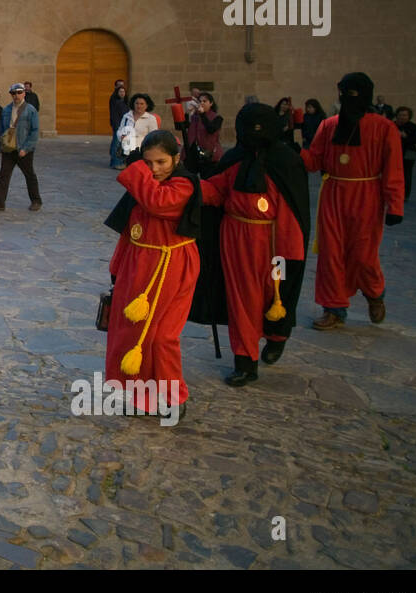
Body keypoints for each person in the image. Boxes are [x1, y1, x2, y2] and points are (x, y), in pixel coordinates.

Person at [195, 104, 310, 387]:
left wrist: (289, 252)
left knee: (276, 295)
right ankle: (245, 361)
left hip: (274, 241)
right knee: (241, 300)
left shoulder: (286, 162)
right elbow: (216, 191)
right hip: (235, 239)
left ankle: (277, 337)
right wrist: (189, 183)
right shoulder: (235, 159)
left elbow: (293, 209)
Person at [103, 129, 199, 417]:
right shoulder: (144, 187)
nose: (155, 169)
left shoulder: (183, 186)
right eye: (149, 162)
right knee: (132, 334)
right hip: (137, 263)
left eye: (162, 162)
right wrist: (117, 268)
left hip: (170, 266)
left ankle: (174, 396)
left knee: (160, 336)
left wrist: (136, 171)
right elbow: (129, 231)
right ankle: (141, 396)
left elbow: (157, 201)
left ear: (176, 159)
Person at [301, 72, 403, 330]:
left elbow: (394, 169)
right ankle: (333, 308)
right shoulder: (329, 126)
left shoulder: (384, 127)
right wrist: (292, 151)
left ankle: (374, 293)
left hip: (367, 195)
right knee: (330, 252)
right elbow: (315, 161)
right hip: (333, 194)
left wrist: (395, 205)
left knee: (363, 253)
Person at [0, 83, 42, 211]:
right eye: (13, 93)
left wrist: (26, 148)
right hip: (8, 149)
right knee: (4, 176)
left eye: (18, 92)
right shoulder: (6, 110)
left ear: (24, 93)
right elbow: (2, 130)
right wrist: (0, 148)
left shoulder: (30, 110)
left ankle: (36, 201)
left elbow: (34, 131)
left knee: (29, 175)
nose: (16, 95)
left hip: (23, 148)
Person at [183, 91, 223, 175]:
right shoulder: (194, 116)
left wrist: (203, 114)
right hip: (192, 153)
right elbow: (183, 126)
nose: (201, 103)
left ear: (211, 103)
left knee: (208, 178)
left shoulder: (217, 118)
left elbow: (211, 129)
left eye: (204, 101)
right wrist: (187, 113)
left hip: (208, 154)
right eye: (200, 101)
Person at [117, 93, 160, 164]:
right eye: (137, 103)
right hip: (127, 150)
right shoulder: (126, 116)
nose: (139, 106)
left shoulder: (151, 118)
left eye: (142, 104)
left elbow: (153, 136)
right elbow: (120, 130)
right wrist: (121, 136)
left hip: (142, 151)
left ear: (147, 105)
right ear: (133, 104)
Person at [394, 107, 416, 202]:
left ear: (409, 116)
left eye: (405, 115)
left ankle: (405, 195)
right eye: (400, 115)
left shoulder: (412, 126)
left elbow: (413, 140)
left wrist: (405, 136)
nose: (402, 117)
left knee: (407, 174)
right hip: (396, 152)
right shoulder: (393, 124)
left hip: (409, 153)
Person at [109, 80, 127, 169]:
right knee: (117, 144)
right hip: (118, 125)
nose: (122, 92)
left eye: (123, 90)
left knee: (117, 143)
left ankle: (114, 161)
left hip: (122, 125)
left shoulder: (122, 100)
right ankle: (116, 162)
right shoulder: (115, 99)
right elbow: (116, 114)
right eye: (120, 89)